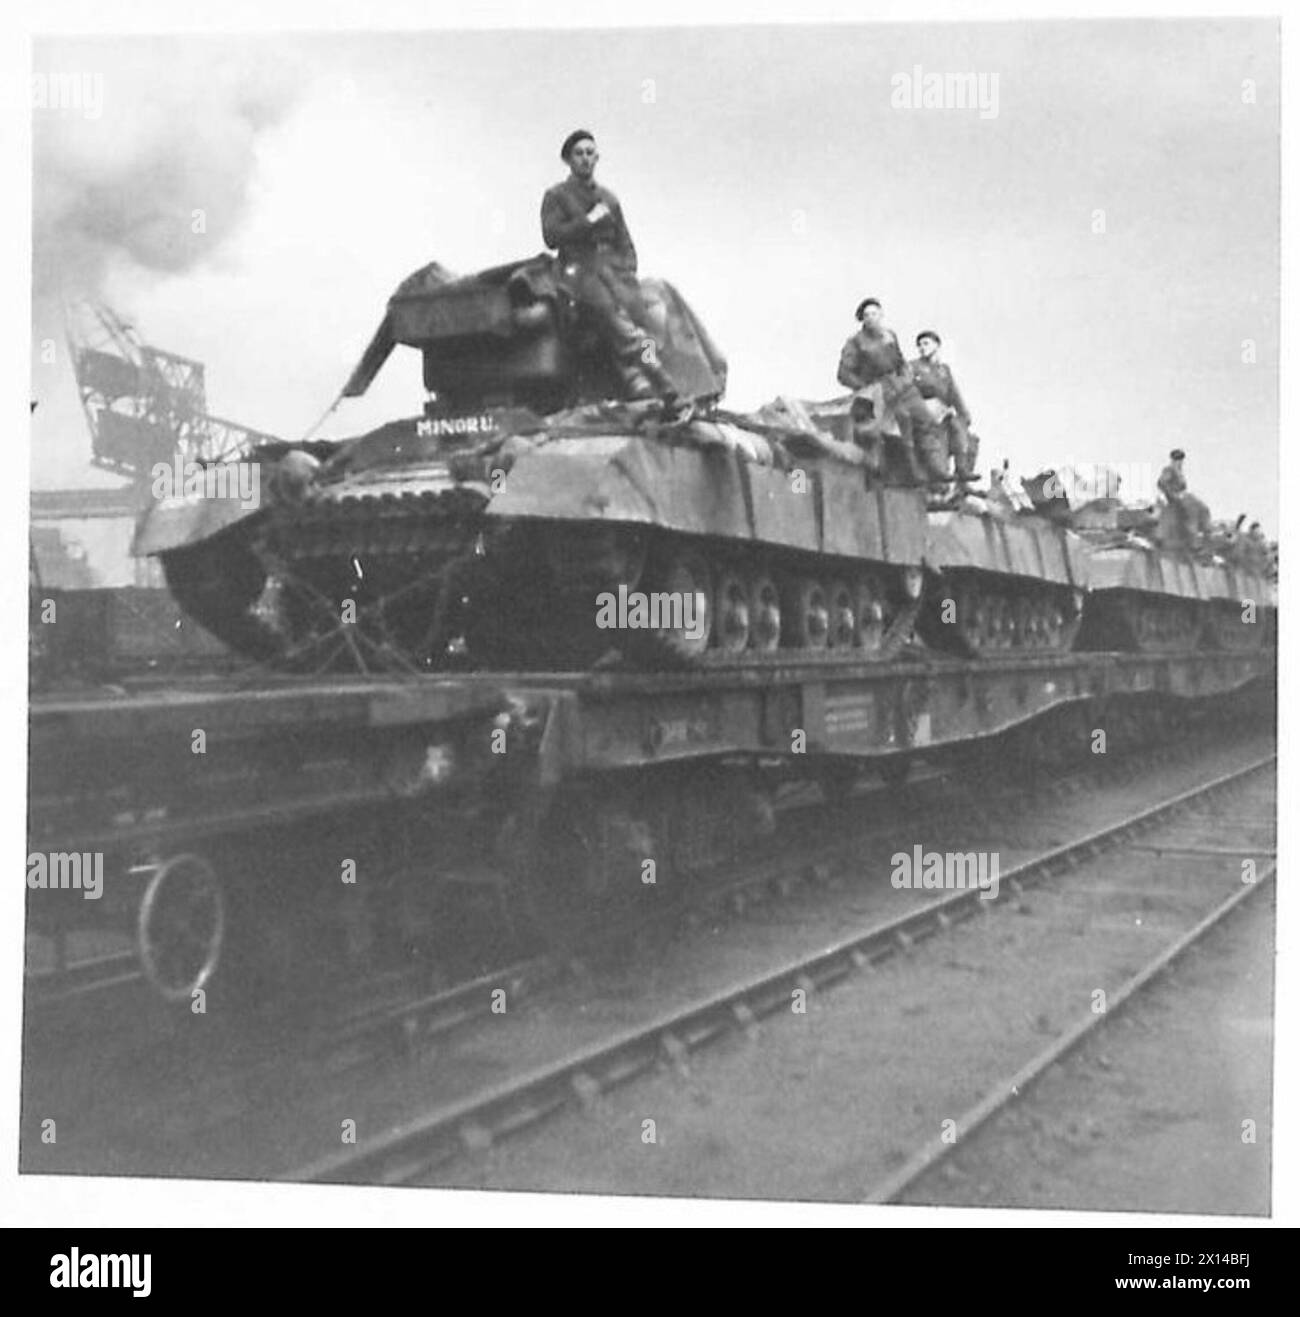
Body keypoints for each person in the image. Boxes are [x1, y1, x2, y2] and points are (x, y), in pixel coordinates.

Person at [540, 129, 684, 413]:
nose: (585, 159)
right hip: (579, 273)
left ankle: (638, 385)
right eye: (579, 154)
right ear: (568, 160)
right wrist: (588, 221)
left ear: (597, 158)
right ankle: (664, 384)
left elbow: (625, 242)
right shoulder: (557, 196)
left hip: (615, 274)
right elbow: (551, 236)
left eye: (590, 153)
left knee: (642, 326)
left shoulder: (609, 198)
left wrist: (627, 271)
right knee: (625, 331)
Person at [837, 298, 945, 484]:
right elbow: (843, 373)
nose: (871, 318)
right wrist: (866, 387)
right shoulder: (855, 342)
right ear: (861, 319)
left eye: (874, 314)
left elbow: (900, 361)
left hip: (902, 386)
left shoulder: (889, 336)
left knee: (926, 421)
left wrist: (905, 377)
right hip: (878, 392)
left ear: (881, 315)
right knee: (902, 424)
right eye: (866, 315)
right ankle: (911, 472)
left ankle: (935, 470)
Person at [909, 331, 978, 481]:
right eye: (919, 345)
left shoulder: (943, 370)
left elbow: (953, 393)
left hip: (942, 410)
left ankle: (962, 469)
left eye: (926, 343)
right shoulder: (913, 367)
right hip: (923, 407)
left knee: (958, 427)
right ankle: (938, 471)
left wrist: (964, 414)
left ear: (936, 346)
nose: (922, 347)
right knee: (929, 434)